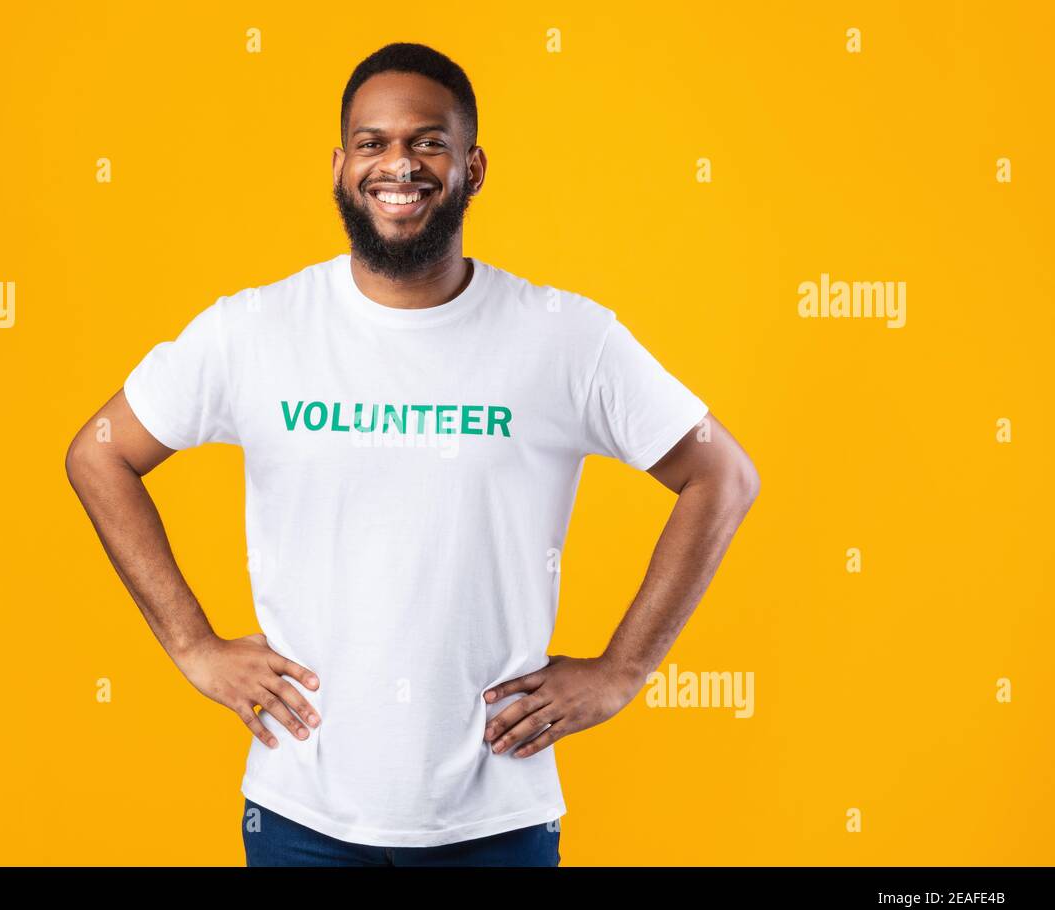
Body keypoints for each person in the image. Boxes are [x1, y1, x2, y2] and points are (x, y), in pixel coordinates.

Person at [65, 42, 759, 867]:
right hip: (300, 813)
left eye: (428, 142)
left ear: (472, 166)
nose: (400, 164)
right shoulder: (255, 330)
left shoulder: (565, 339)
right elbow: (98, 453)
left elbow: (723, 473)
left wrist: (623, 670)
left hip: (496, 814)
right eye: (373, 142)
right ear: (339, 167)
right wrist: (192, 643)